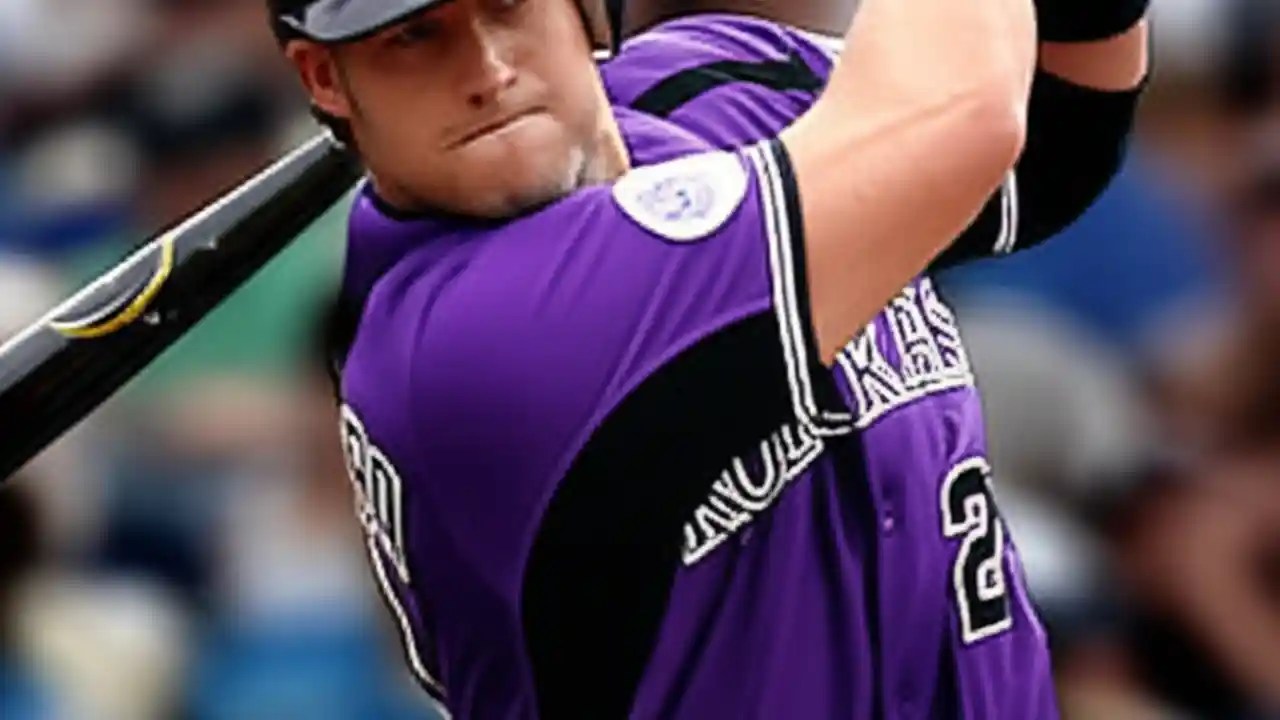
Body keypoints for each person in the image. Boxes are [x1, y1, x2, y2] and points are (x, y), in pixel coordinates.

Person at [265, 1, 1139, 718]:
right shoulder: (467, 342)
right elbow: (961, 121)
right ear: (324, 78)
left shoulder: (717, 85)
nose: (487, 70)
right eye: (415, 36)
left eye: (506, 4)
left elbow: (1052, 126)